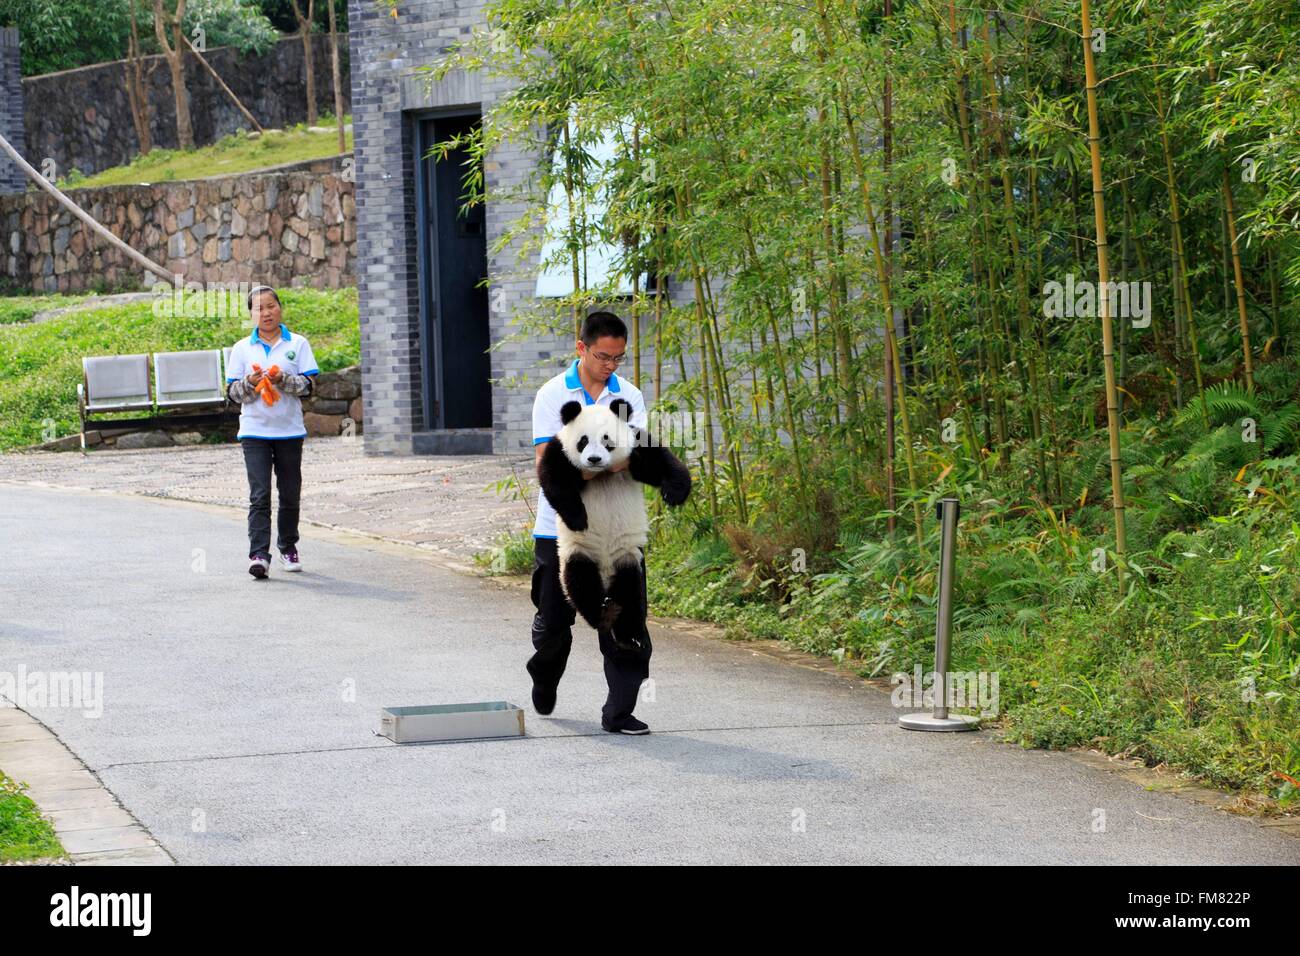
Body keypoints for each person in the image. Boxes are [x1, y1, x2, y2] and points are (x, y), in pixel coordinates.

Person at [528, 311, 653, 734]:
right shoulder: (553, 394)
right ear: (581, 348)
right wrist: (604, 461)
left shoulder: (629, 397)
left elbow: (635, 457)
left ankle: (619, 712)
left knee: (626, 622)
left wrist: (584, 464)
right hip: (561, 528)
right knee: (553, 627)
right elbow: (548, 464)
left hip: (618, 530)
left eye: (618, 357)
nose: (611, 365)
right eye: (603, 356)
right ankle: (544, 675)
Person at [224, 286, 319, 579]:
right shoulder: (242, 349)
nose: (265, 313)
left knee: (290, 494)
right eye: (259, 308)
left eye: (270, 306)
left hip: (289, 431)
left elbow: (310, 387)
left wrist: (283, 379)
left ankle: (288, 547)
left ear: (280, 308)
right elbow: (232, 394)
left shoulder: (298, 344)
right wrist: (252, 383)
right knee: (260, 495)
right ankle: (258, 555)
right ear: (251, 314)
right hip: (254, 432)